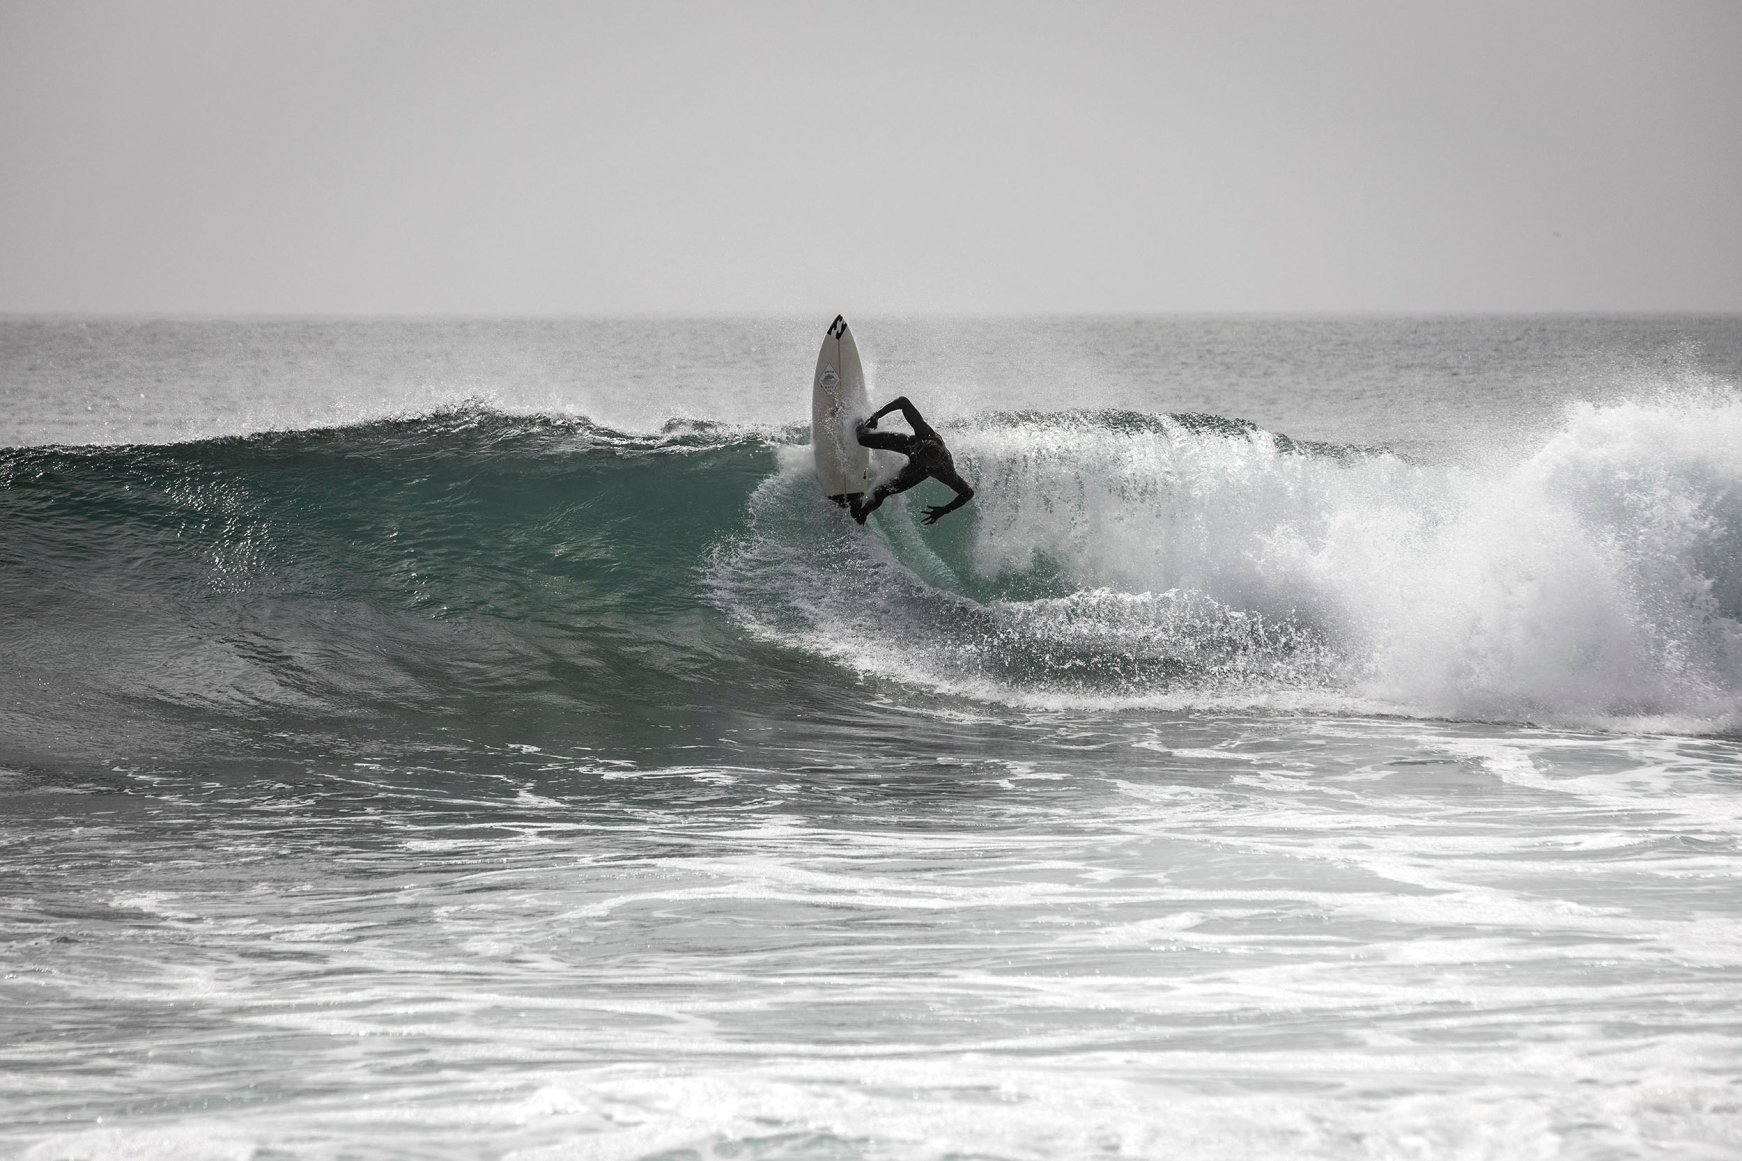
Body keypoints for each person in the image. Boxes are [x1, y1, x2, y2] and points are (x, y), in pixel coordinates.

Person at [847, 396, 975, 525]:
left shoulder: (945, 472)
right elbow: (903, 402)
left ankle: (861, 515)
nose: (912, 452)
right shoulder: (925, 432)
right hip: (908, 443)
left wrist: (943, 510)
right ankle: (856, 418)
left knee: (882, 492)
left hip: (919, 471)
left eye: (915, 453)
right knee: (863, 439)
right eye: (915, 450)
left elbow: (968, 493)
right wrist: (877, 416)